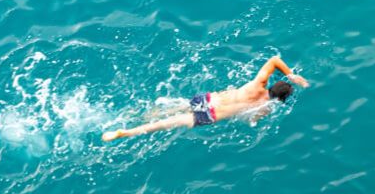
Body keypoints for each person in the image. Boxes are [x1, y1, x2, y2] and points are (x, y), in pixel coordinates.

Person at [102, 54, 309, 142]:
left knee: (170, 109)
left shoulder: (258, 84)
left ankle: (137, 116)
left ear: (273, 85)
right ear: (280, 99)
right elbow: (251, 121)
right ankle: (126, 132)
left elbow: (274, 60)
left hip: (209, 100)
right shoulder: (266, 108)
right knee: (166, 124)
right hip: (211, 115)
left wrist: (291, 75)